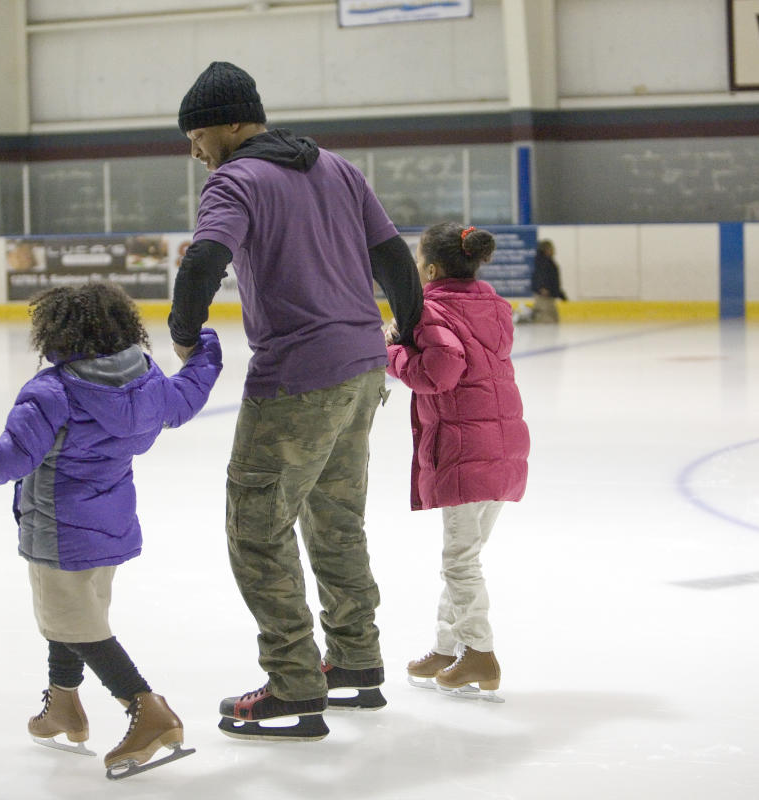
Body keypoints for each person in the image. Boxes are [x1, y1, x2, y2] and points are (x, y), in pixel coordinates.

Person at [168, 61, 423, 741]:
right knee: (335, 518)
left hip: (295, 378)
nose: (193, 149)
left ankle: (293, 684)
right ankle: (357, 661)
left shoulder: (235, 180)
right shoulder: (338, 169)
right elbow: (395, 258)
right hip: (364, 369)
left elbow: (203, 260)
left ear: (230, 123)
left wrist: (184, 333)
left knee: (256, 528)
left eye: (196, 134)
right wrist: (409, 332)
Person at [0, 282, 222, 778]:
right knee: (70, 618)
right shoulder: (146, 381)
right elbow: (188, 395)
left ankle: (146, 709)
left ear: (56, 334)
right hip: (108, 526)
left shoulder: (53, 392)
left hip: (59, 528)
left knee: (77, 626)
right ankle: (63, 705)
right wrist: (206, 347)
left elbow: (12, 457)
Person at [384, 223, 530, 702]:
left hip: (467, 450)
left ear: (429, 268)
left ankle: (481, 653)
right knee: (464, 557)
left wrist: (395, 353)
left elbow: (441, 369)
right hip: (502, 444)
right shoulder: (493, 305)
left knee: (460, 563)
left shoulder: (430, 307)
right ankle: (450, 648)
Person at [529, 238, 567, 323]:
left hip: (548, 296)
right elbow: (540, 276)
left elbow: (552, 279)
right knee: (545, 320)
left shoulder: (548, 261)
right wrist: (542, 287)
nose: (554, 250)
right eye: (552, 248)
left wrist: (559, 293)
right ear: (546, 250)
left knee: (552, 318)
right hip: (544, 296)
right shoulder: (542, 262)